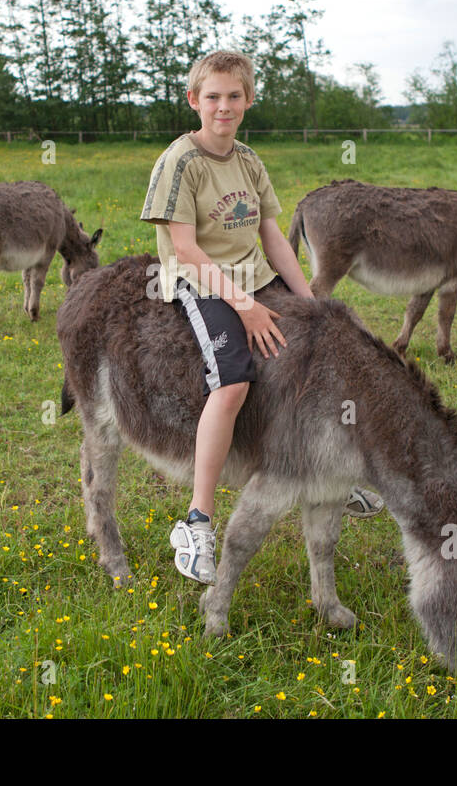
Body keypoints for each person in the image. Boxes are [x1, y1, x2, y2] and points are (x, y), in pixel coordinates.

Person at [140, 50, 383, 585]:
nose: (223, 107)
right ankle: (197, 521)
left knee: (339, 353)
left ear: (248, 101)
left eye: (233, 96)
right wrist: (245, 306)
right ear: (193, 101)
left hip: (256, 277)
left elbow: (272, 237)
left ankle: (336, 475)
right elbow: (186, 250)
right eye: (212, 97)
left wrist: (315, 304)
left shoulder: (248, 161)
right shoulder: (180, 162)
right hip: (199, 281)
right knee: (231, 385)